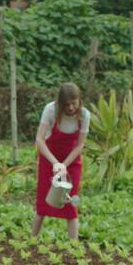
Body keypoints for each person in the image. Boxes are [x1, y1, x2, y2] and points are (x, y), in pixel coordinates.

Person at [32, 82, 88, 241]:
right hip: (49, 157)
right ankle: (31, 241)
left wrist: (64, 165)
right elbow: (39, 140)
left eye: (74, 103)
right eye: (66, 104)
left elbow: (79, 145)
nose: (71, 108)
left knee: (70, 204)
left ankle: (73, 246)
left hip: (72, 160)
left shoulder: (84, 115)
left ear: (79, 100)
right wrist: (55, 163)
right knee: (42, 203)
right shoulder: (50, 110)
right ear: (60, 103)